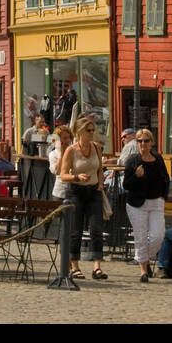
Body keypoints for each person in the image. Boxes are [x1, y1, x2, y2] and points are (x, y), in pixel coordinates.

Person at [58, 117, 107, 280]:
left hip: (94, 191)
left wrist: (100, 183)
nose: (92, 133)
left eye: (93, 130)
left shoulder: (96, 147)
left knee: (96, 228)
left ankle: (97, 266)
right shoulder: (71, 150)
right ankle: (75, 266)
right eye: (89, 130)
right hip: (76, 191)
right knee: (75, 230)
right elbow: (63, 174)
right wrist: (76, 177)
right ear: (79, 132)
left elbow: (100, 168)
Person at [122, 129, 169, 282]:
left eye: (146, 141)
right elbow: (126, 184)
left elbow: (166, 179)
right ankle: (143, 270)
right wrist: (136, 176)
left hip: (156, 201)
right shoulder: (133, 160)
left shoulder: (158, 159)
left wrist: (163, 197)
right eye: (140, 141)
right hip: (137, 203)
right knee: (141, 237)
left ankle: (144, 258)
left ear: (152, 143)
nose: (143, 144)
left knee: (157, 236)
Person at [48, 125, 72, 201]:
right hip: (60, 193)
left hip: (75, 192)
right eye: (65, 138)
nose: (68, 141)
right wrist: (60, 153)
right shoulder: (53, 154)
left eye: (69, 137)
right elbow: (57, 171)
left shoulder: (74, 152)